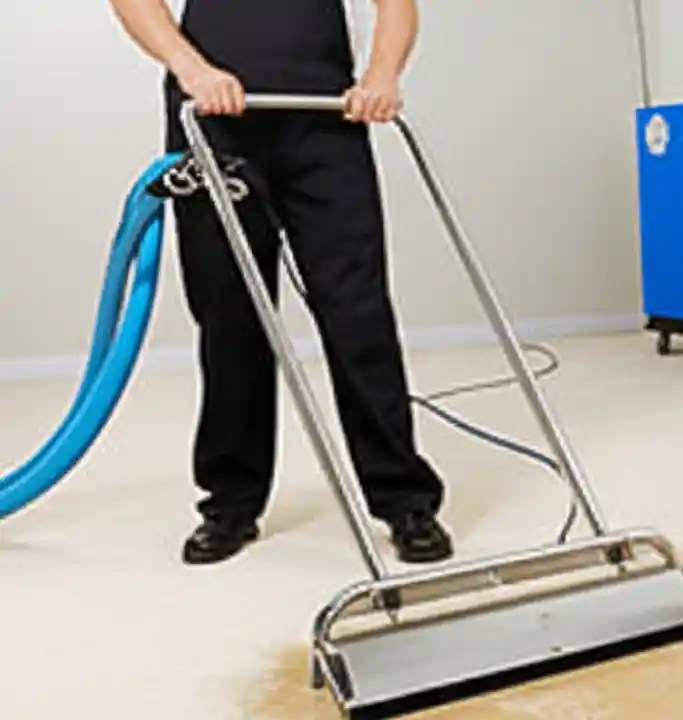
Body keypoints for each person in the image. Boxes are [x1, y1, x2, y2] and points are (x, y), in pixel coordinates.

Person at [108, 0, 453, 566]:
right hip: (213, 118)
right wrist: (190, 68)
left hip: (324, 117)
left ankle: (404, 500)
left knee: (358, 312)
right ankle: (230, 503)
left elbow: (395, 3)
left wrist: (382, 75)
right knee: (231, 316)